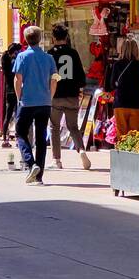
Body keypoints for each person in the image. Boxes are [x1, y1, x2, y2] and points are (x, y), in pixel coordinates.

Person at [13, 25, 58, 184]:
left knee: (20, 132)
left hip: (27, 101)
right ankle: (39, 176)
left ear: (26, 39)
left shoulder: (22, 57)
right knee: (41, 138)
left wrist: (19, 98)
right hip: (44, 102)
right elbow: (54, 80)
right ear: (40, 39)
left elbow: (18, 80)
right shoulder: (49, 58)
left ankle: (31, 163)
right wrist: (49, 97)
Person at [49, 24, 91, 170]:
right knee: (73, 127)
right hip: (72, 95)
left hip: (55, 95)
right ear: (66, 37)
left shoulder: (50, 54)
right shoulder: (73, 53)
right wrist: (79, 88)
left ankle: (57, 160)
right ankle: (82, 150)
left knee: (54, 127)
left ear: (53, 38)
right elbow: (80, 75)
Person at [110, 36, 139, 138]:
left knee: (121, 135)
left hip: (120, 103)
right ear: (136, 49)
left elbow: (112, 84)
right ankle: (132, 153)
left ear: (122, 49)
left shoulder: (117, 64)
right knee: (134, 136)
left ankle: (122, 153)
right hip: (136, 104)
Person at [0, 41, 21, 147]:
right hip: (16, 89)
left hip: (8, 90)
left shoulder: (5, 60)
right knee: (18, 114)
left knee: (7, 115)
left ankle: (5, 138)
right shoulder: (15, 61)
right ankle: (18, 138)